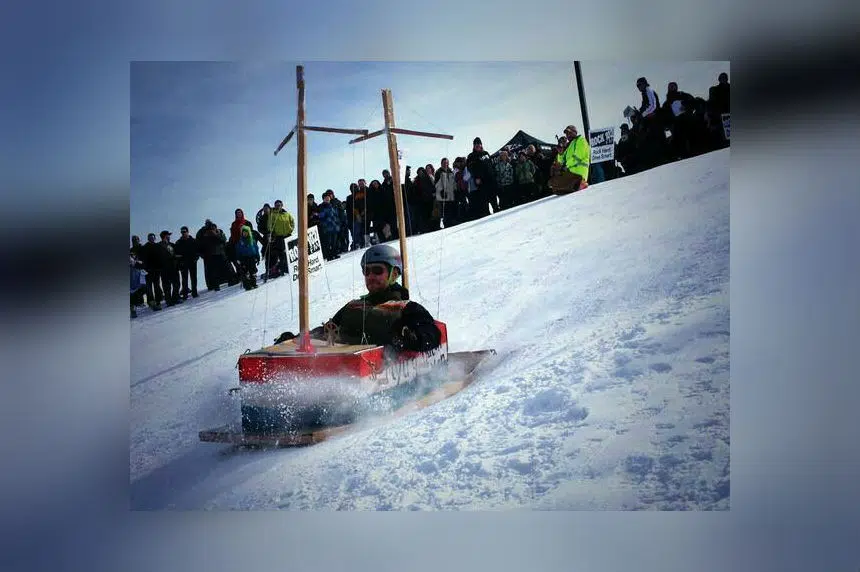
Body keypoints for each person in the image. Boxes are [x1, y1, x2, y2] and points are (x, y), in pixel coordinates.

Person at [273, 244, 441, 352]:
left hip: (381, 371)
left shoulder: (406, 307)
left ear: (394, 274)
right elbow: (329, 331)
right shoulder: (353, 306)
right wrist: (298, 338)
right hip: (344, 367)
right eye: (366, 271)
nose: (370, 276)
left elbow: (432, 334)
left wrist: (411, 339)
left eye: (377, 271)